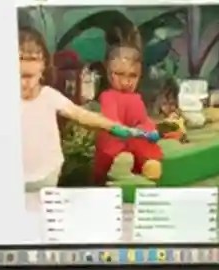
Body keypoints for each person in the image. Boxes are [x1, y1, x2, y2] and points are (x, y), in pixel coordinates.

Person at [18, 27, 142, 193]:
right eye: (17, 76)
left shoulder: (48, 96)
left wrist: (113, 126)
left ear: (42, 69)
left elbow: (81, 115)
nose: (23, 84)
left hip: (47, 175)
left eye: (29, 77)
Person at [93, 41, 163, 185]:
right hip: (116, 137)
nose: (126, 81)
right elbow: (110, 119)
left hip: (133, 137)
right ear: (109, 73)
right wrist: (120, 129)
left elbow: (142, 119)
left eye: (132, 76)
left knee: (144, 145)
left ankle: (148, 165)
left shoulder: (137, 98)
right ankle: (118, 167)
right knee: (113, 147)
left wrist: (149, 129)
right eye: (119, 74)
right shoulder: (108, 96)